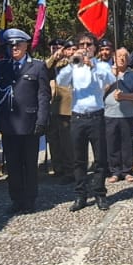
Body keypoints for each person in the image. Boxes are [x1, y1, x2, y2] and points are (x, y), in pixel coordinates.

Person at [56, 35, 115, 210]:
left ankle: (100, 194)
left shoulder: (101, 65)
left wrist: (93, 66)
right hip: (78, 117)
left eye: (88, 44)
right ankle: (80, 195)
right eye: (81, 44)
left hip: (96, 116)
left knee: (100, 159)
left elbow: (111, 80)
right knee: (78, 160)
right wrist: (71, 63)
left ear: (95, 47)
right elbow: (60, 81)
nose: (85, 47)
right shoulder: (74, 66)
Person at [0, 29, 50, 213]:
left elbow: (43, 96)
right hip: (9, 124)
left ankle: (30, 200)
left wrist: (41, 120)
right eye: (11, 45)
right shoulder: (1, 66)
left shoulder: (38, 66)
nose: (14, 48)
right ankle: (16, 199)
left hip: (29, 123)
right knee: (12, 165)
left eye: (18, 44)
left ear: (26, 45)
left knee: (29, 165)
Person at [104, 46, 133, 183]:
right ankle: (115, 171)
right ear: (114, 58)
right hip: (109, 114)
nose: (122, 59)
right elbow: (98, 93)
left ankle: (127, 171)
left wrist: (124, 97)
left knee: (128, 143)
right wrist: (112, 78)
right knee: (112, 144)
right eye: (119, 56)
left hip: (128, 115)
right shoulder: (106, 74)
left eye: (125, 56)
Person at [45, 38, 76, 182]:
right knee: (54, 140)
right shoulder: (54, 63)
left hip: (67, 107)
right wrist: (54, 57)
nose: (56, 50)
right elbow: (45, 69)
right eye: (53, 47)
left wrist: (65, 56)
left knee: (67, 142)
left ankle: (70, 171)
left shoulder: (73, 62)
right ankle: (58, 168)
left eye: (59, 48)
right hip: (53, 107)